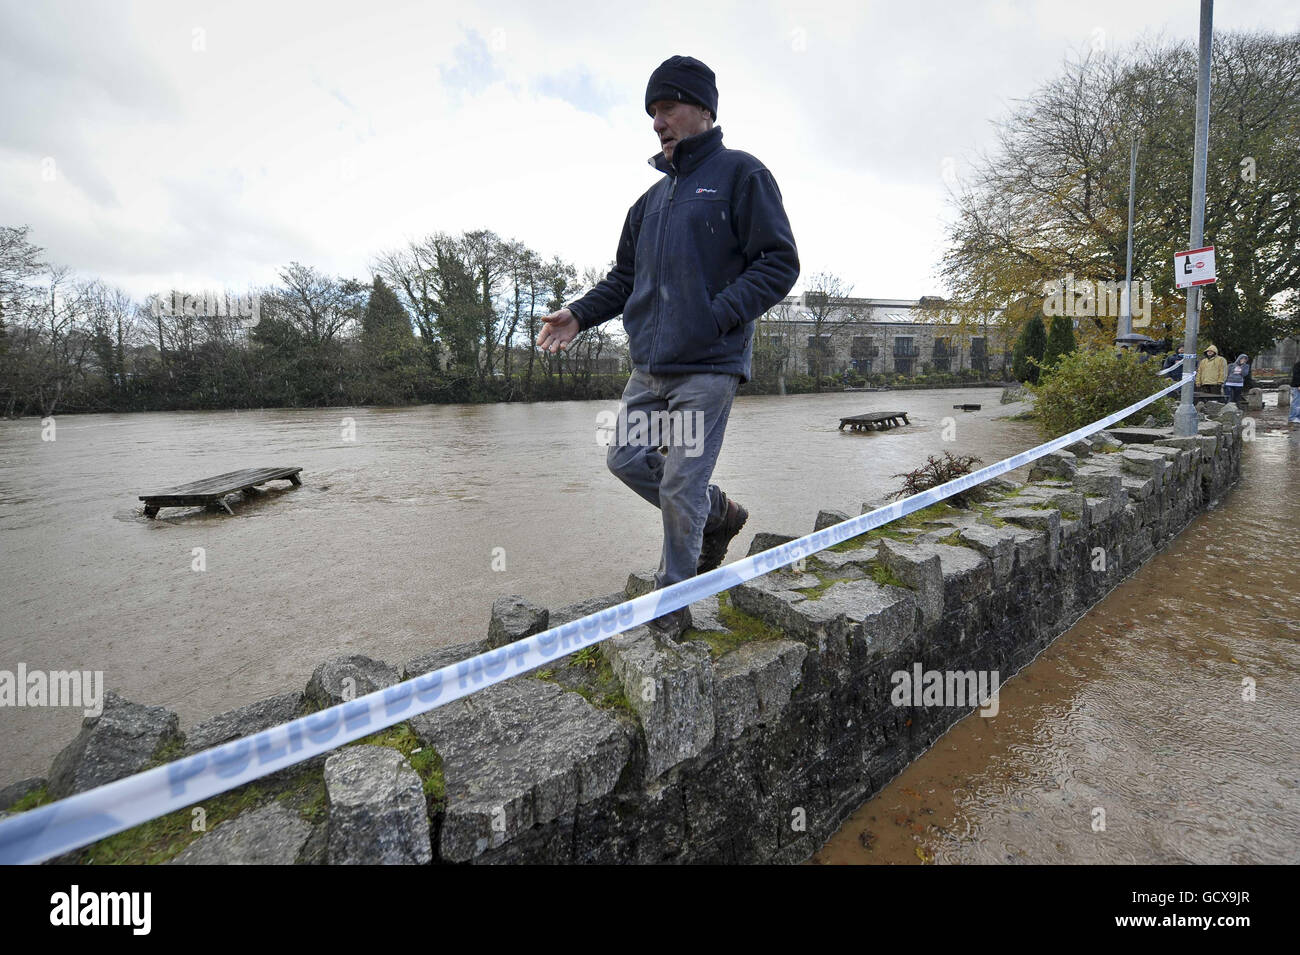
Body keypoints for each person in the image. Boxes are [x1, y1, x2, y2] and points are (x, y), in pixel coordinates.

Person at [536, 55, 800, 636]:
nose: (660, 120)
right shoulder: (647, 204)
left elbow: (779, 262)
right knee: (624, 458)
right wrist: (579, 315)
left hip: (708, 364)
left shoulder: (741, 174)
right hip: (650, 367)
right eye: (653, 111)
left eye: (670, 107)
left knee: (682, 482)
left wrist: (718, 315)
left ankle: (671, 603)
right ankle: (719, 514)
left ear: (704, 109)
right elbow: (623, 280)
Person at [1289, 356, 1300, 425]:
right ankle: (1292, 418)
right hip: (1297, 387)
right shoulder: (1298, 365)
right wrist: (1299, 385)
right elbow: (1296, 376)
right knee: (1296, 403)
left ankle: (1298, 417)